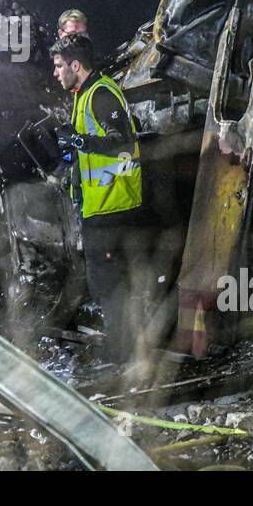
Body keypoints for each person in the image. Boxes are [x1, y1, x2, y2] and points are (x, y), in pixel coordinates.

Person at [50, 31, 144, 365]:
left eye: (60, 66)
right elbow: (84, 150)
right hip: (99, 207)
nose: (56, 73)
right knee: (107, 285)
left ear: (76, 65)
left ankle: (125, 358)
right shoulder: (83, 95)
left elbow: (122, 142)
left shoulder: (101, 94)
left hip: (111, 208)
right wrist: (67, 155)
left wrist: (79, 142)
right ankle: (126, 353)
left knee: (109, 286)